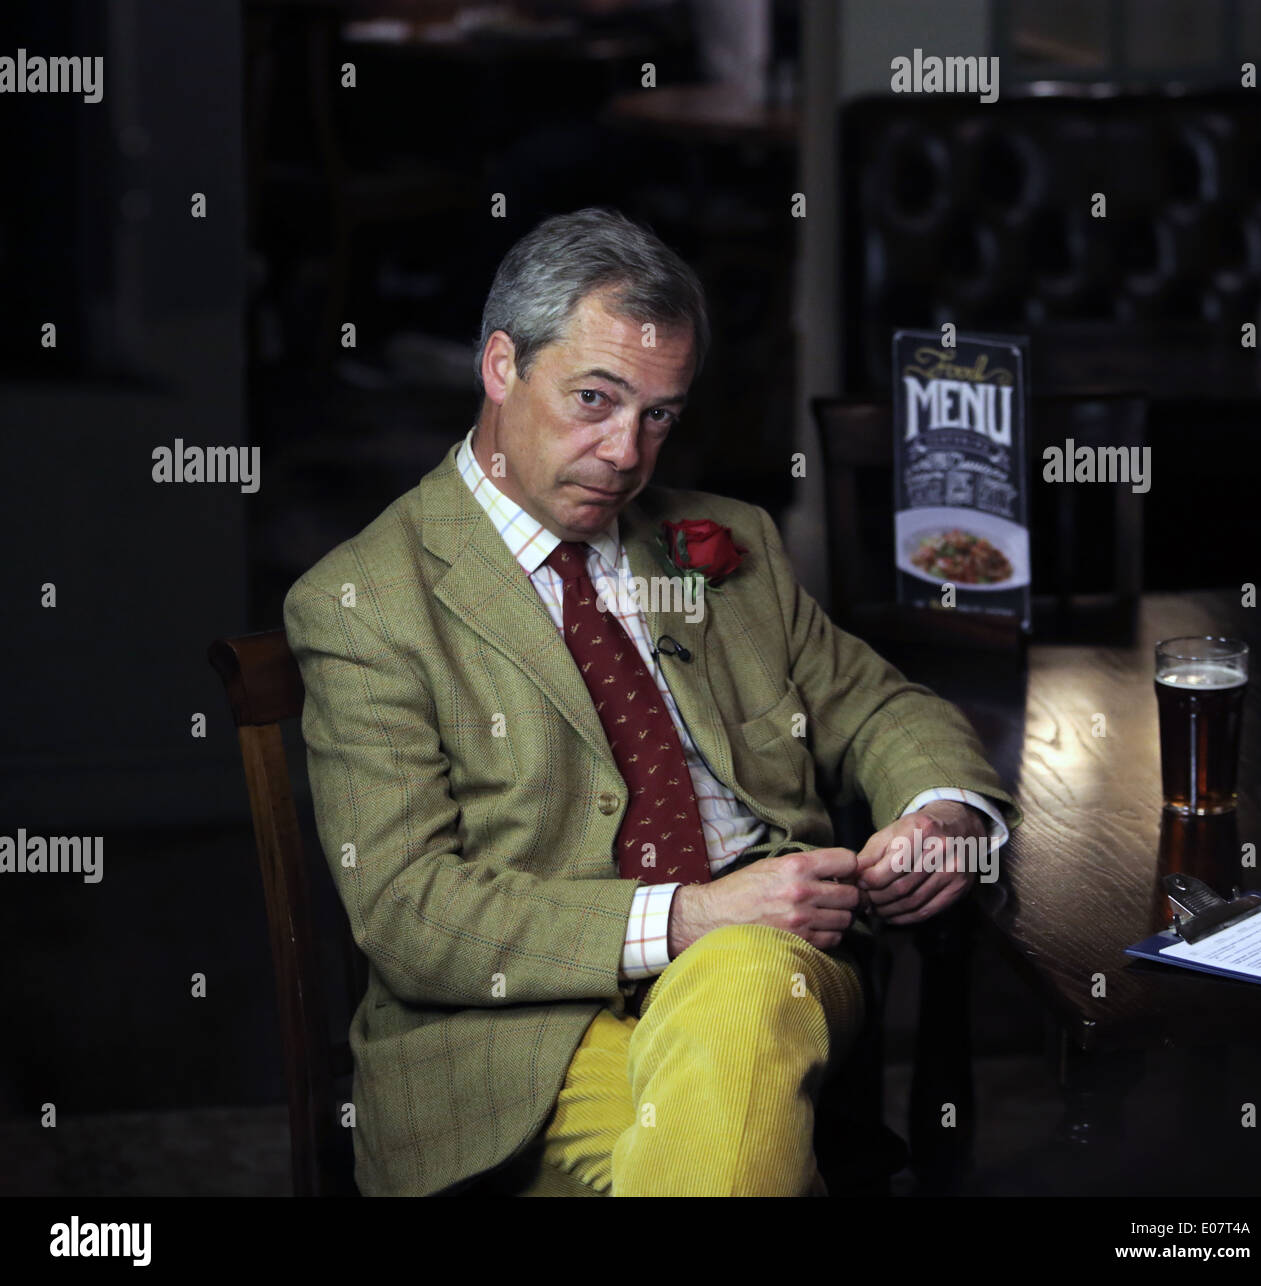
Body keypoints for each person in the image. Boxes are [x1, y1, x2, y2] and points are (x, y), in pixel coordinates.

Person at [283, 206, 1022, 1197]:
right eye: (594, 398)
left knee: (746, 975)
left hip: (784, 965)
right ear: (501, 365)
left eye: (659, 415)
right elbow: (408, 910)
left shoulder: (726, 540)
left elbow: (878, 705)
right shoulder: (363, 601)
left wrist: (942, 810)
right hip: (517, 1033)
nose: (626, 453)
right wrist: (691, 915)